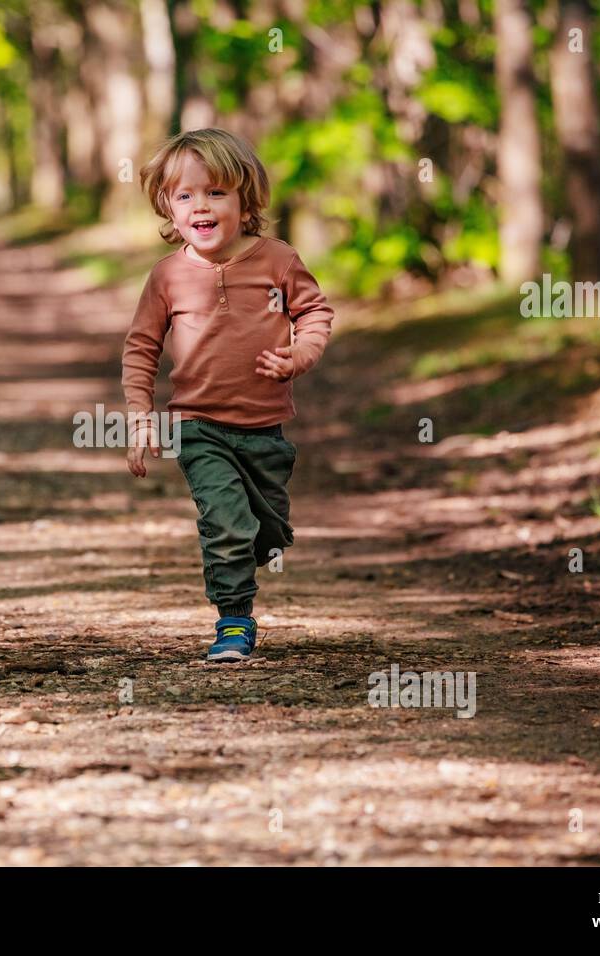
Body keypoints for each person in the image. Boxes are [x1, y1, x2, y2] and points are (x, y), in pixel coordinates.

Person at [122, 128, 335, 662]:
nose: (201, 205)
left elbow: (314, 313)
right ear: (167, 208)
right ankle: (234, 622)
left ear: (245, 199)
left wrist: (300, 354)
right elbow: (141, 348)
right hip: (198, 426)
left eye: (216, 192)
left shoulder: (277, 260)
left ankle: (254, 546)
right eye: (185, 195)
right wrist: (141, 418)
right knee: (225, 523)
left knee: (269, 529)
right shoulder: (167, 277)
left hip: (265, 427)